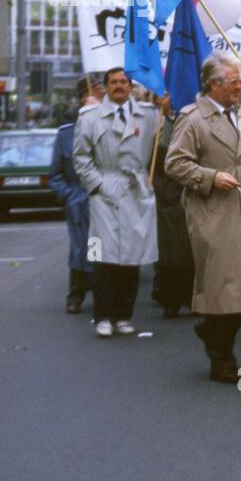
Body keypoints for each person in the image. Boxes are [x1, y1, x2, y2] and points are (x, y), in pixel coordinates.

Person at [165, 53, 241, 382]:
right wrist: (210, 178)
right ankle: (222, 357)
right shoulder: (193, 119)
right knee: (226, 289)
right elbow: (174, 164)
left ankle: (211, 330)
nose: (239, 86)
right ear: (213, 85)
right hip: (216, 216)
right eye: (233, 81)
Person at [72, 67, 158, 338]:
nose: (119, 86)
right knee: (103, 257)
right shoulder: (90, 117)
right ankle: (102, 316)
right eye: (113, 82)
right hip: (105, 191)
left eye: (123, 82)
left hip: (136, 191)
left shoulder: (149, 114)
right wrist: (97, 186)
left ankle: (123, 315)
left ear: (131, 86)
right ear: (105, 87)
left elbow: (162, 145)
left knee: (132, 257)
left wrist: (167, 110)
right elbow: (81, 157)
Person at [49, 74, 102, 314]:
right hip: (78, 201)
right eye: (96, 93)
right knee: (80, 247)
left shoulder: (111, 127)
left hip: (103, 199)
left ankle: (100, 291)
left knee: (98, 246)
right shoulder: (66, 134)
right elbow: (55, 174)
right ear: (82, 99)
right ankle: (77, 292)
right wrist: (68, 196)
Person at [150, 91, 194, 319]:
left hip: (187, 196)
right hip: (167, 197)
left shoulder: (190, 121)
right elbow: (158, 159)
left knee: (189, 253)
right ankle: (170, 299)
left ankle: (190, 297)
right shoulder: (156, 123)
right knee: (169, 255)